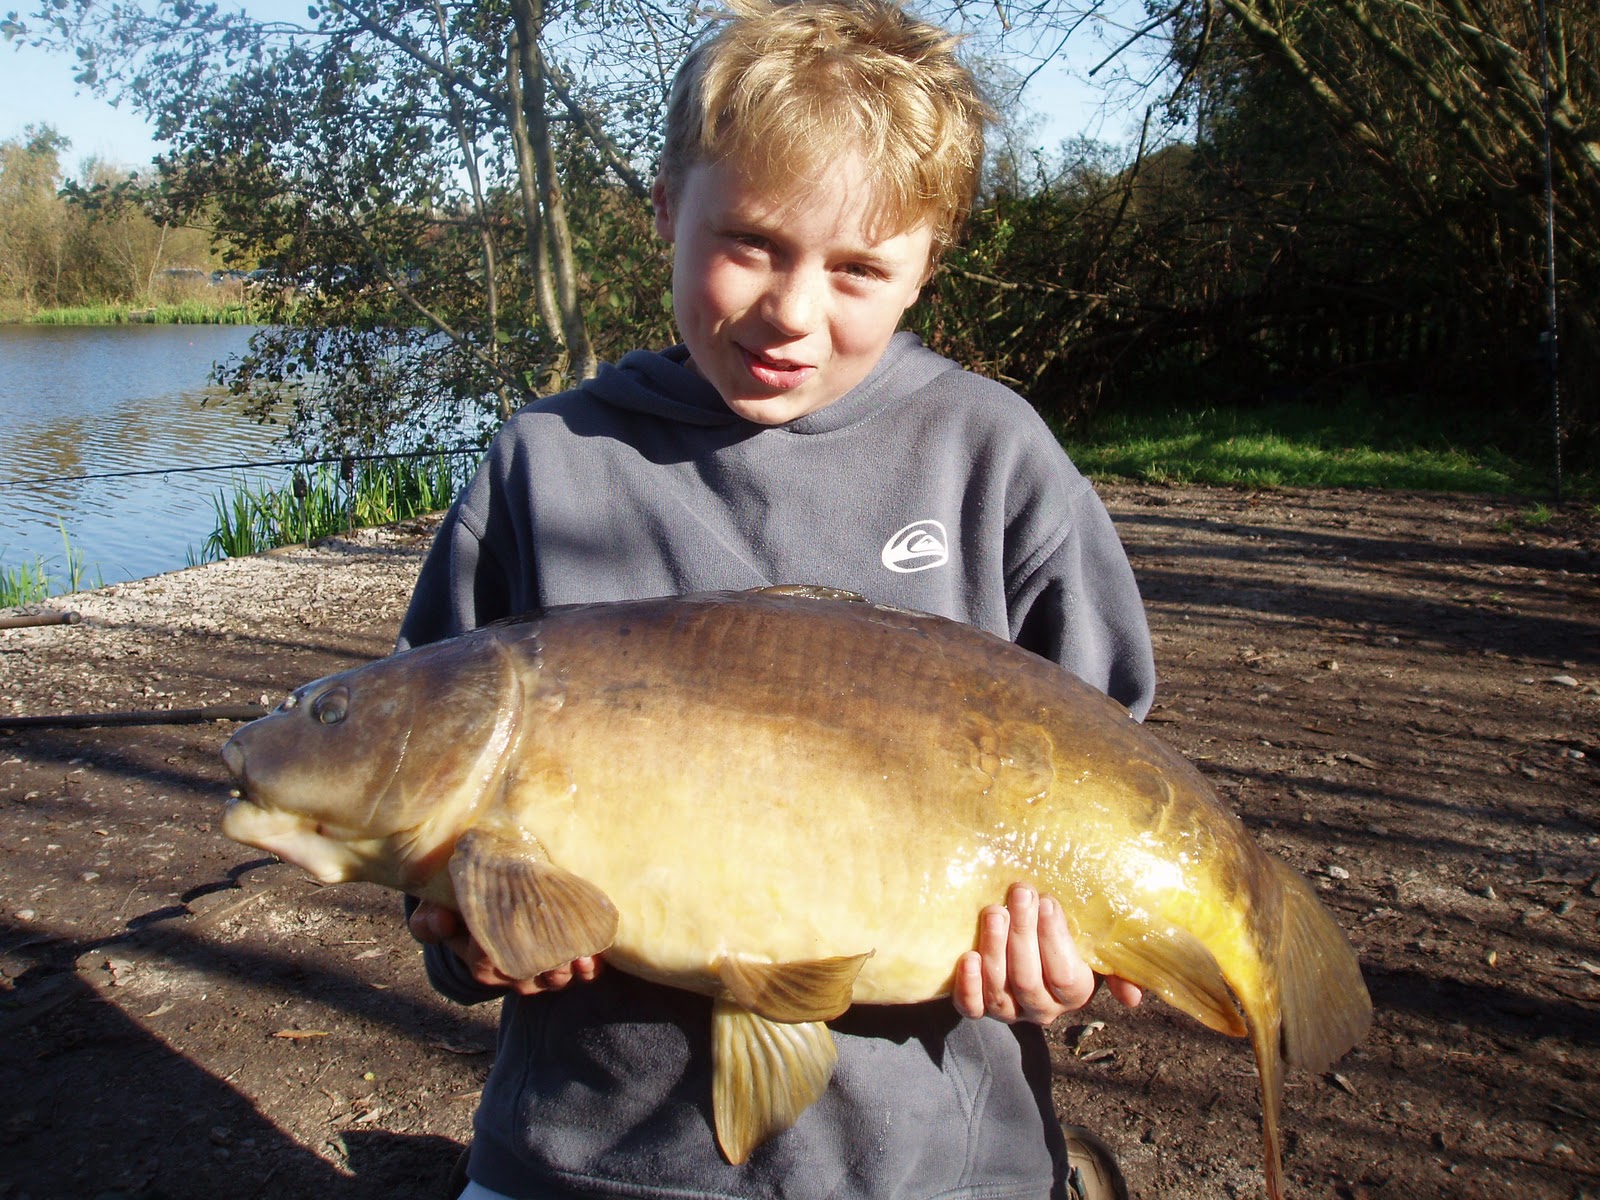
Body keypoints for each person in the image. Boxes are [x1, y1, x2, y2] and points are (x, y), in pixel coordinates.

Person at [399, 1, 1156, 1196]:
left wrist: (1079, 960)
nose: (792, 313)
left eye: (858, 269)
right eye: (750, 243)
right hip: (585, 1157)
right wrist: (467, 941)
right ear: (664, 209)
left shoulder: (991, 457)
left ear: (927, 265)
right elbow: (423, 797)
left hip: (934, 1164)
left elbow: (1111, 784)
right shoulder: (546, 464)